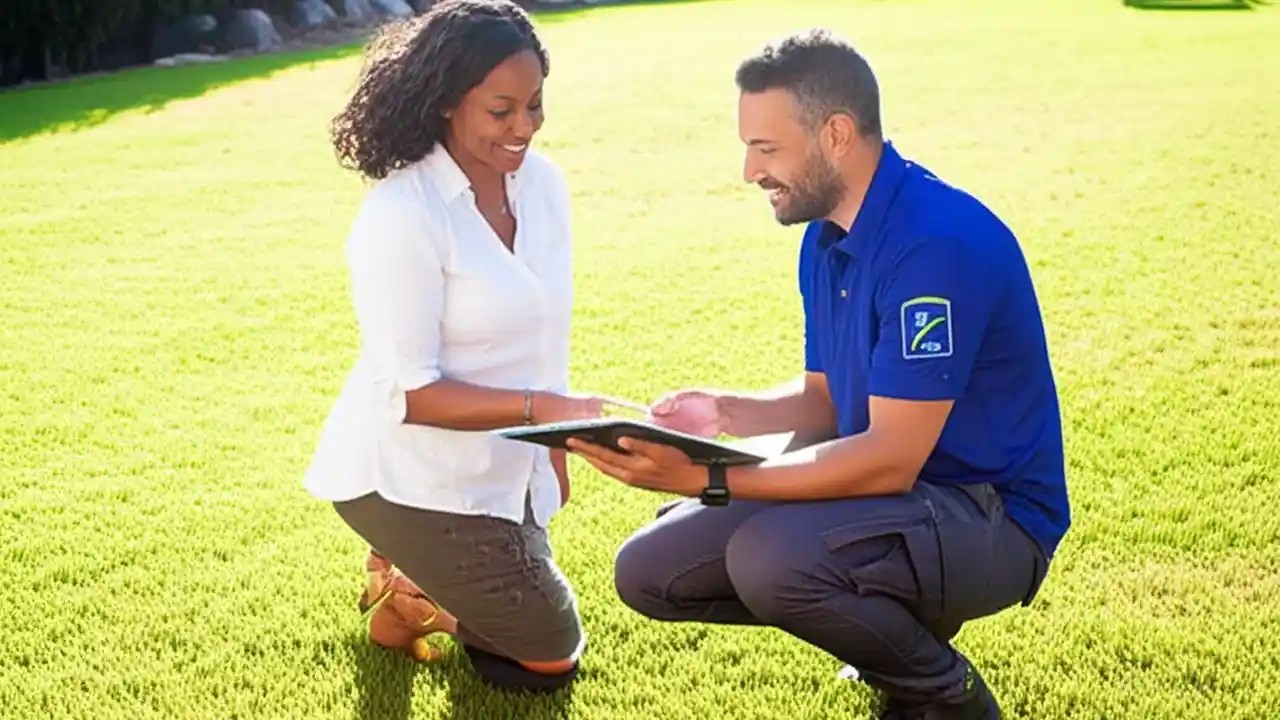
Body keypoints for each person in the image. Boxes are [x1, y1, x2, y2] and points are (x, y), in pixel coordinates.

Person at [567, 29, 1070, 719]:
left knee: (772, 558)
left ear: (836, 134)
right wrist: (728, 413)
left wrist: (709, 479)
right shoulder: (826, 235)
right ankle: (887, 630)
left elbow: (889, 457)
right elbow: (827, 402)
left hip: (993, 518)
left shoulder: (937, 247)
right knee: (650, 570)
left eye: (766, 148)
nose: (749, 171)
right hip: (896, 499)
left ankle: (944, 694)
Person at [303, 0, 605, 692]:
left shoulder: (543, 185)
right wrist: (546, 413)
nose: (525, 126)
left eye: (535, 104)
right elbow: (411, 394)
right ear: (446, 102)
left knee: (532, 626)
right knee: (550, 656)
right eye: (502, 110)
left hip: (501, 460)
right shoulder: (401, 215)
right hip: (402, 475)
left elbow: (543, 332)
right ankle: (418, 594)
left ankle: (412, 591)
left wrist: (553, 450)